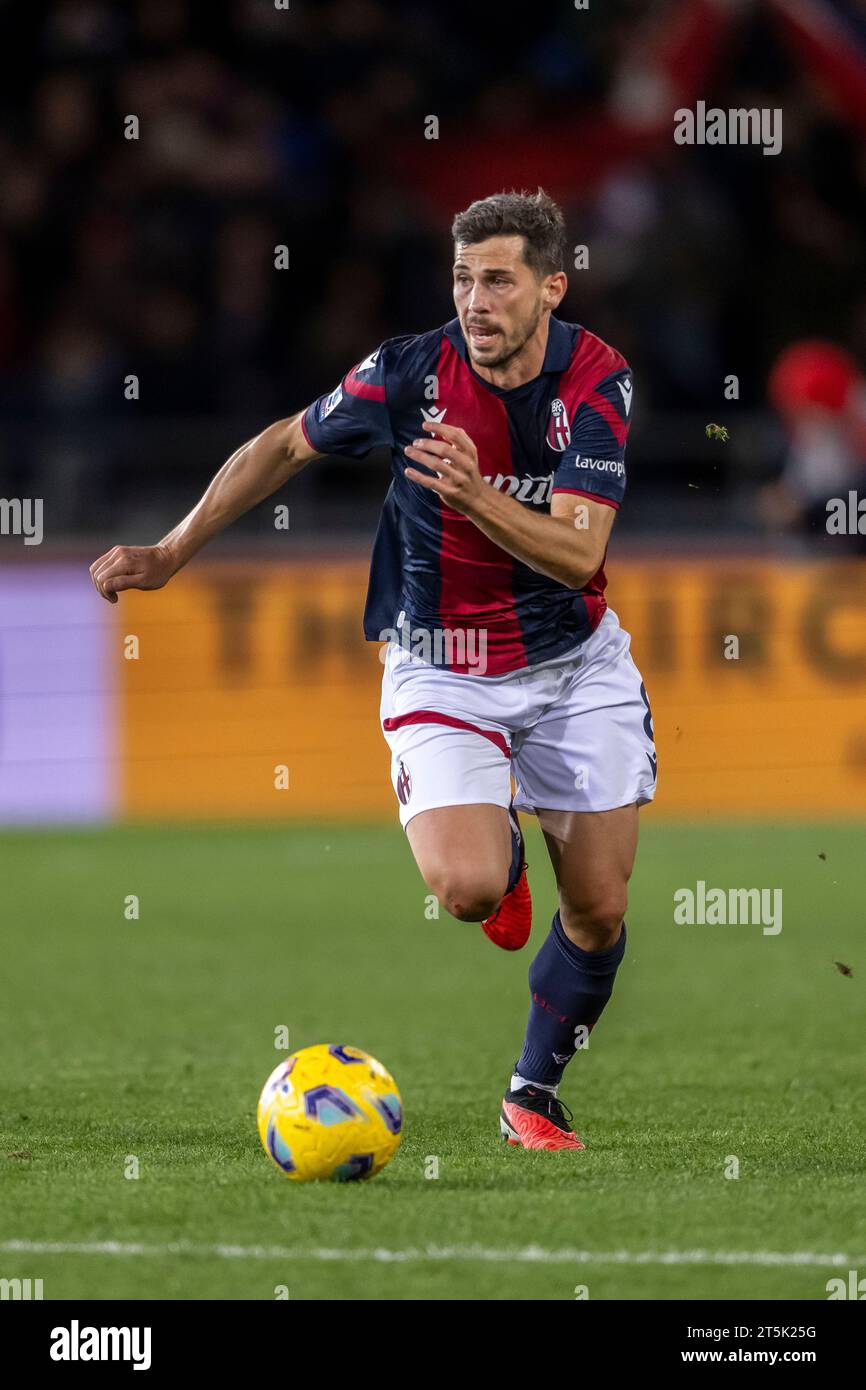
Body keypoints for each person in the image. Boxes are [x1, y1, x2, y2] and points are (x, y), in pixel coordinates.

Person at [90, 189, 656, 1152]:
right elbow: (282, 445)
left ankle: (533, 1090)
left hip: (571, 664)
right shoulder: (409, 373)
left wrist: (474, 495)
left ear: (552, 287)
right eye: (463, 278)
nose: (475, 301)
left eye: (500, 280)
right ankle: (503, 851)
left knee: (599, 911)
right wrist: (174, 549)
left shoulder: (598, 385)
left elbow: (576, 551)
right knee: (470, 889)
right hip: (440, 663)